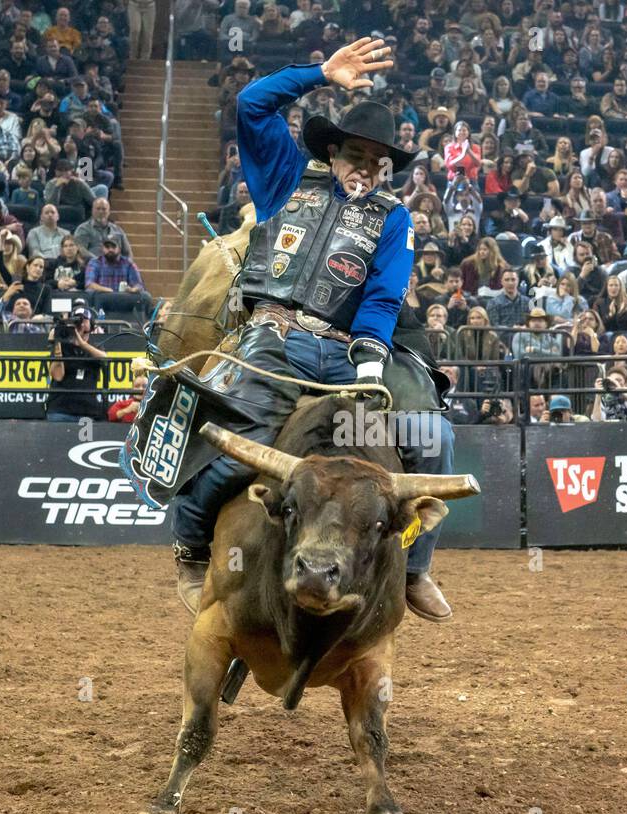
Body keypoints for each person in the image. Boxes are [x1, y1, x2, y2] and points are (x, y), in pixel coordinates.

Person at [166, 36, 456, 623]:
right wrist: (319, 73)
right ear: (333, 151)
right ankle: (191, 549)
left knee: (433, 437)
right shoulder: (285, 178)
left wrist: (370, 363)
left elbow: (381, 294)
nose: (366, 170)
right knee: (231, 444)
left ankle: (415, 565)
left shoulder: (393, 219)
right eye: (356, 155)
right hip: (276, 340)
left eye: (379, 163)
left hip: (354, 352)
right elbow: (251, 105)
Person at [46, 304, 108, 422]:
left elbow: (105, 359)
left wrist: (82, 344)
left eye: (84, 320)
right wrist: (57, 343)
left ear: (92, 325)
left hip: (87, 411)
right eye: (77, 320)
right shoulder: (62, 345)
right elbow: (58, 376)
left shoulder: (96, 347)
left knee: (87, 441)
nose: (80, 324)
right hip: (60, 409)